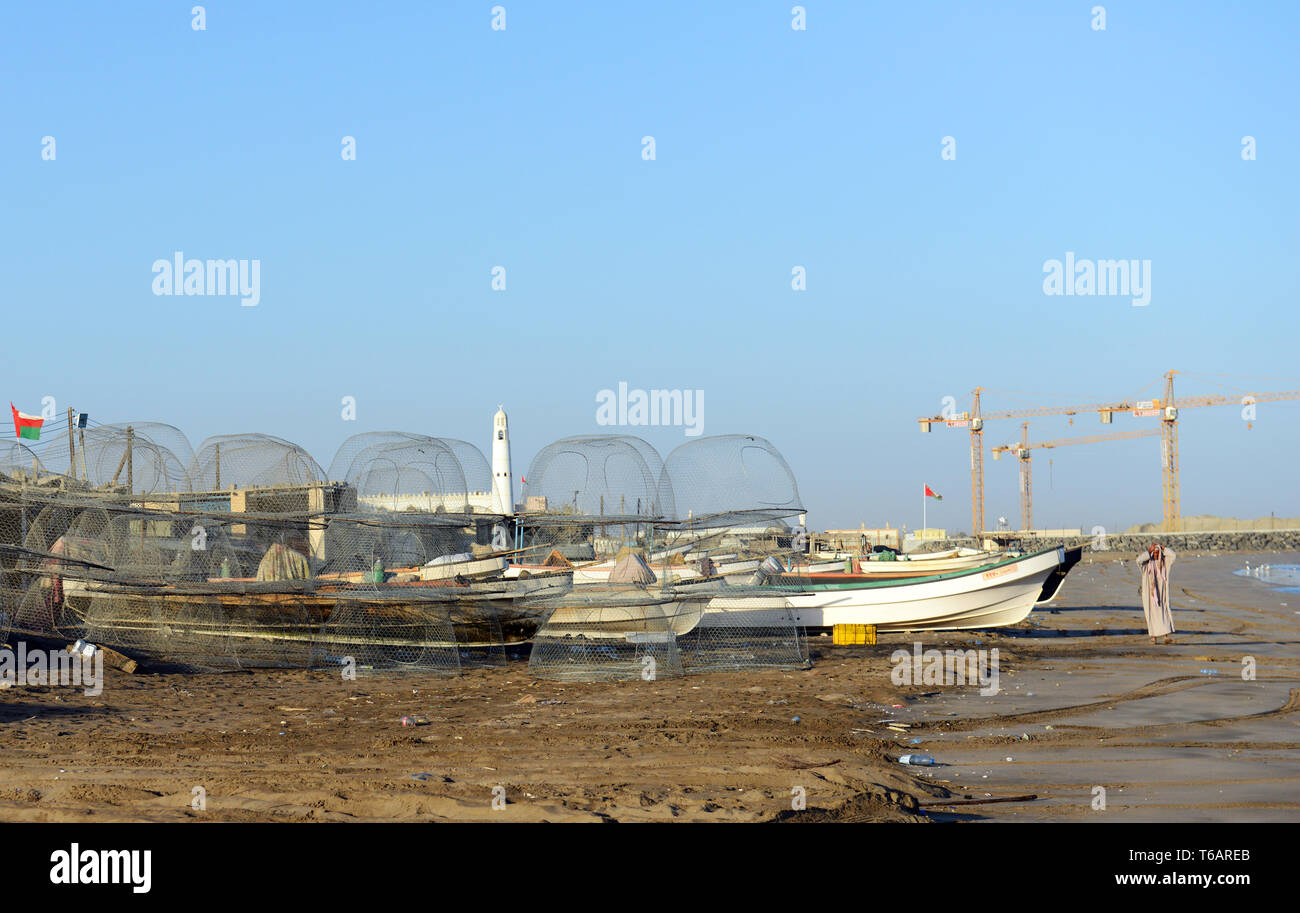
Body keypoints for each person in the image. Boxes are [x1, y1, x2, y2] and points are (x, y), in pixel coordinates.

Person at [1136, 542, 1176, 644]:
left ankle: (1166, 636)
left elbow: (1173, 555)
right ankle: (1153, 638)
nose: (1156, 555)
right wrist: (1149, 551)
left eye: (1157, 553)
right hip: (1150, 594)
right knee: (1151, 614)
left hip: (1162, 593)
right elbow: (1138, 560)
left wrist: (1163, 548)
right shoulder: (1146, 565)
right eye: (1154, 553)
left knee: (1164, 612)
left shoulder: (1165, 563)